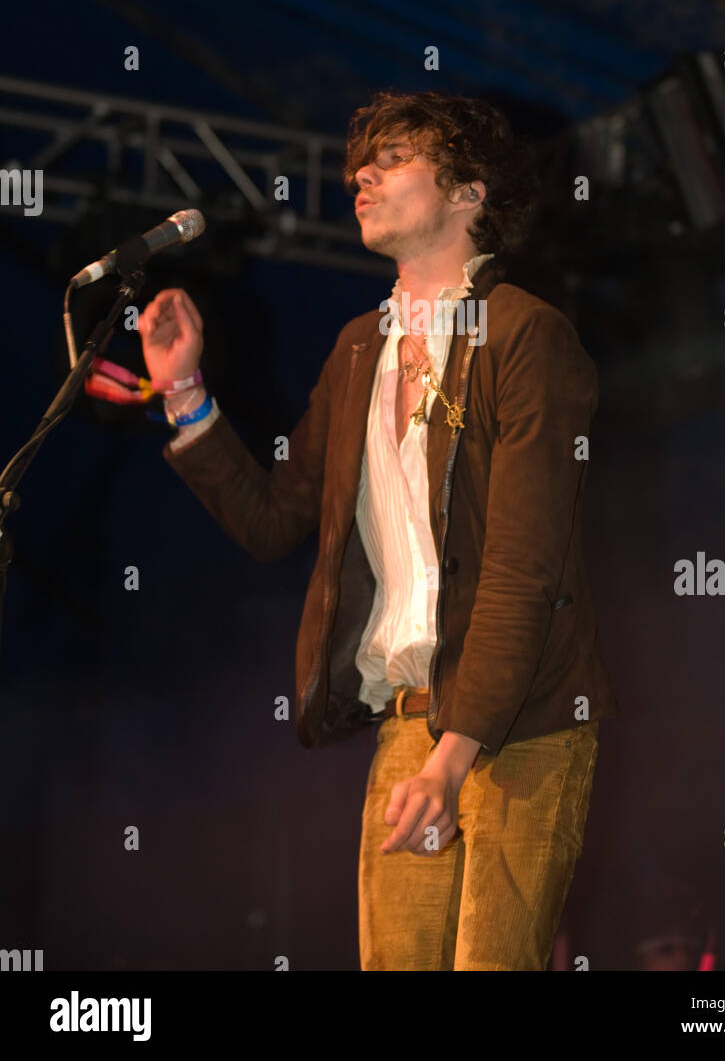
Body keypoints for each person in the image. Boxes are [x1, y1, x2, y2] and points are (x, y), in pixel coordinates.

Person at [139, 90, 618, 971]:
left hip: (523, 726)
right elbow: (274, 520)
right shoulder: (360, 346)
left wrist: (452, 758)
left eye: (393, 159)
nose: (361, 175)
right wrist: (184, 394)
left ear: (469, 193)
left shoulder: (523, 337)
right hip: (408, 723)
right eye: (363, 161)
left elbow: (522, 572)